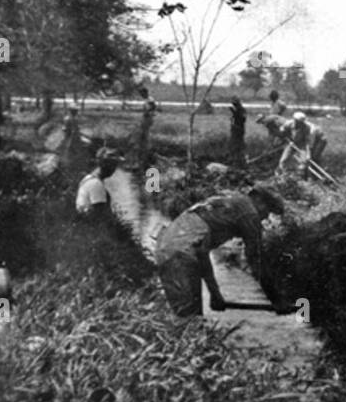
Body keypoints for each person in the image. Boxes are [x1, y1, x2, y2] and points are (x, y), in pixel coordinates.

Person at [154, 186, 285, 317]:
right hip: (181, 255)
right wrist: (276, 300)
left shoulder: (223, 202)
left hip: (165, 250)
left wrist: (214, 293)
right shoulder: (248, 211)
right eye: (267, 211)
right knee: (190, 320)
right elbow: (256, 260)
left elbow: (201, 253)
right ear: (258, 200)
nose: (264, 218)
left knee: (187, 318)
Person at [76, 147, 124, 238]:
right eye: (113, 166)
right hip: (92, 234)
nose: (114, 170)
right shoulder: (96, 185)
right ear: (106, 165)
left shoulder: (89, 178)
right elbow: (100, 217)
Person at [278, 111, 325, 178]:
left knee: (304, 162)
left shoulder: (306, 127)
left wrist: (308, 154)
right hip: (291, 143)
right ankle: (284, 175)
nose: (301, 123)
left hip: (302, 144)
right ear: (295, 120)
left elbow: (307, 141)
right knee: (283, 160)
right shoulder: (289, 123)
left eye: (302, 122)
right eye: (299, 122)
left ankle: (302, 177)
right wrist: (287, 139)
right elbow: (282, 131)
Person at [137, 86, 158, 166]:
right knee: (143, 134)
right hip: (146, 118)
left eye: (142, 93)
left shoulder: (150, 99)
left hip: (148, 119)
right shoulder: (146, 100)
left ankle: (148, 152)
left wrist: (148, 112)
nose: (141, 95)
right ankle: (144, 150)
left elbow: (152, 108)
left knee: (145, 134)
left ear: (145, 92)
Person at [228, 97, 247, 166]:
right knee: (233, 145)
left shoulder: (242, 110)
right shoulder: (236, 110)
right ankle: (234, 160)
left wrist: (235, 113)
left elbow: (243, 119)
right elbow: (233, 119)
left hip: (239, 130)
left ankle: (240, 160)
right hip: (234, 129)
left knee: (239, 145)